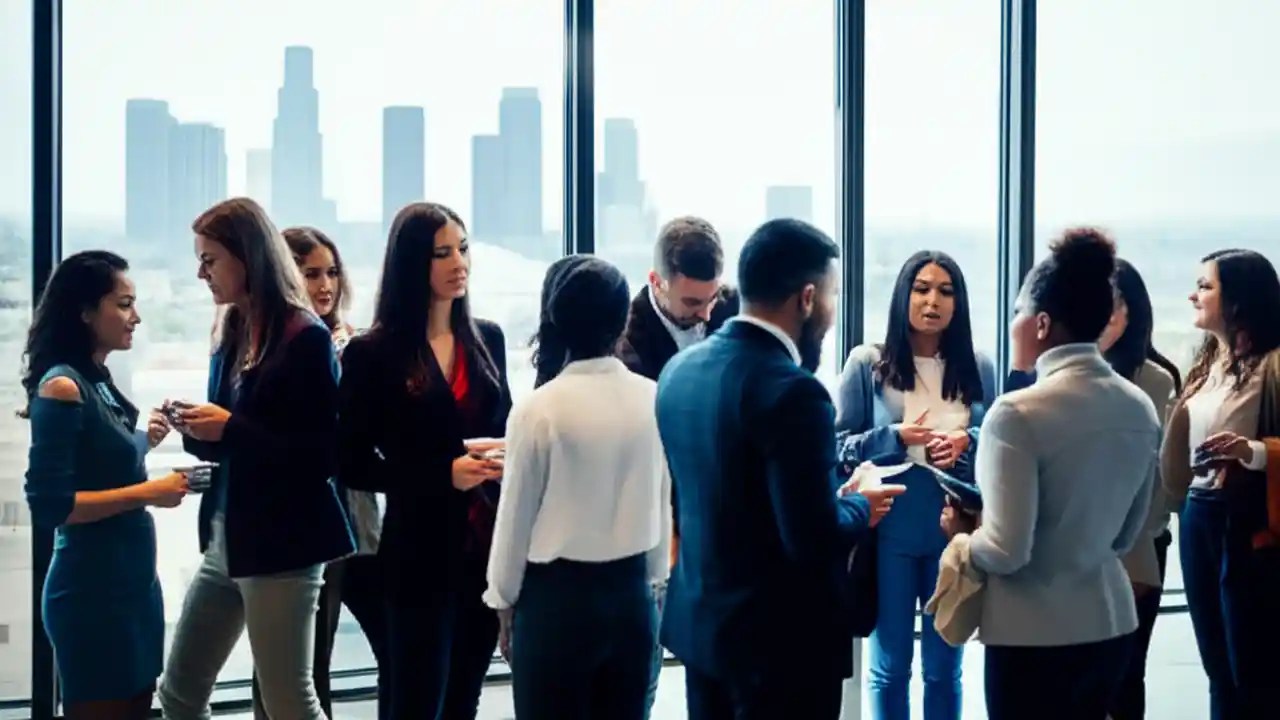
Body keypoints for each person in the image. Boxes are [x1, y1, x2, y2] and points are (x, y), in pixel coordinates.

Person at [657, 218, 903, 720]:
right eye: (831, 297)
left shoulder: (678, 372)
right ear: (807, 298)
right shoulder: (794, 391)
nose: (832, 313)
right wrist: (862, 502)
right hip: (782, 650)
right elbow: (812, 540)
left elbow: (726, 497)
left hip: (704, 632)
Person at [941, 228, 1159, 719]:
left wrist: (962, 535)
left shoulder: (1016, 413)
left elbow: (1006, 550)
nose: (1013, 321)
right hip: (1110, 623)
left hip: (1033, 634)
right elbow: (1125, 536)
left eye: (1018, 311)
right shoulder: (1139, 406)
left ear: (1041, 324)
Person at [157, 198, 355, 720]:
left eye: (210, 260)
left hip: (283, 547)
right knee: (178, 693)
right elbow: (230, 440)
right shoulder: (232, 330)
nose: (201, 274)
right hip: (228, 540)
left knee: (289, 701)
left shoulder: (304, 337)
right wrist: (196, 426)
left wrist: (229, 427)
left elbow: (320, 457)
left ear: (247, 256)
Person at [338, 202, 512, 720]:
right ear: (413, 262)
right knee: (415, 701)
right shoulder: (373, 353)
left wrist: (501, 453)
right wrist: (441, 475)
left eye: (463, 248)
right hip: (418, 553)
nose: (459, 262)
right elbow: (350, 463)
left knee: (464, 699)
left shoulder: (488, 339)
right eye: (442, 253)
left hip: (486, 548)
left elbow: (505, 427)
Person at [485, 255, 672, 719]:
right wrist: (652, 584)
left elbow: (514, 520)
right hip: (632, 599)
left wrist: (502, 599)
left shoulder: (538, 410)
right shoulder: (653, 396)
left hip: (556, 606)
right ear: (622, 318)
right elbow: (660, 501)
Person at [22, 251, 189, 720]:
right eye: (124, 304)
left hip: (131, 586)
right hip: (93, 594)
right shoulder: (62, 387)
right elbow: (50, 504)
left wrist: (142, 441)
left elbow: (103, 463)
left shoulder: (98, 378)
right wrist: (150, 492)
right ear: (85, 311)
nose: (135, 317)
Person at [835, 251, 996, 720]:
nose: (933, 301)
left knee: (946, 667)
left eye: (946, 292)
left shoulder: (977, 366)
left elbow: (1002, 440)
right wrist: (893, 438)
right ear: (903, 294)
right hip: (891, 526)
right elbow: (838, 445)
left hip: (954, 530)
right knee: (891, 666)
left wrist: (966, 440)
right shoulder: (869, 363)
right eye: (922, 289)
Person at [615, 215, 738, 714]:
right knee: (642, 671)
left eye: (711, 298)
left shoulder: (729, 310)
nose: (705, 312)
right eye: (691, 302)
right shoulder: (624, 348)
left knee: (714, 675)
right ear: (655, 282)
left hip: (720, 527)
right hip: (655, 526)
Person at [1160, 248, 1280, 720]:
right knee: (1217, 669)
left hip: (1247, 520)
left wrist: (1249, 453)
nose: (1194, 295)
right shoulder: (1207, 363)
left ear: (1238, 299)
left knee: (1253, 670)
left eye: (1205, 286)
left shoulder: (1273, 364)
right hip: (1198, 515)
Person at [282, 226, 386, 718]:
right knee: (305, 667)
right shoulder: (287, 346)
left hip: (359, 520)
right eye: (310, 274)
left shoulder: (355, 344)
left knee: (395, 642)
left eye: (332, 272)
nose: (325, 285)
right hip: (309, 524)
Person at [1097, 259, 1183, 720]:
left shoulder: (1155, 379)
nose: (1104, 316)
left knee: (1127, 671)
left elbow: (1158, 481)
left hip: (1138, 546)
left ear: (1135, 313)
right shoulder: (1067, 375)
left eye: (1115, 306)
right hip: (1081, 548)